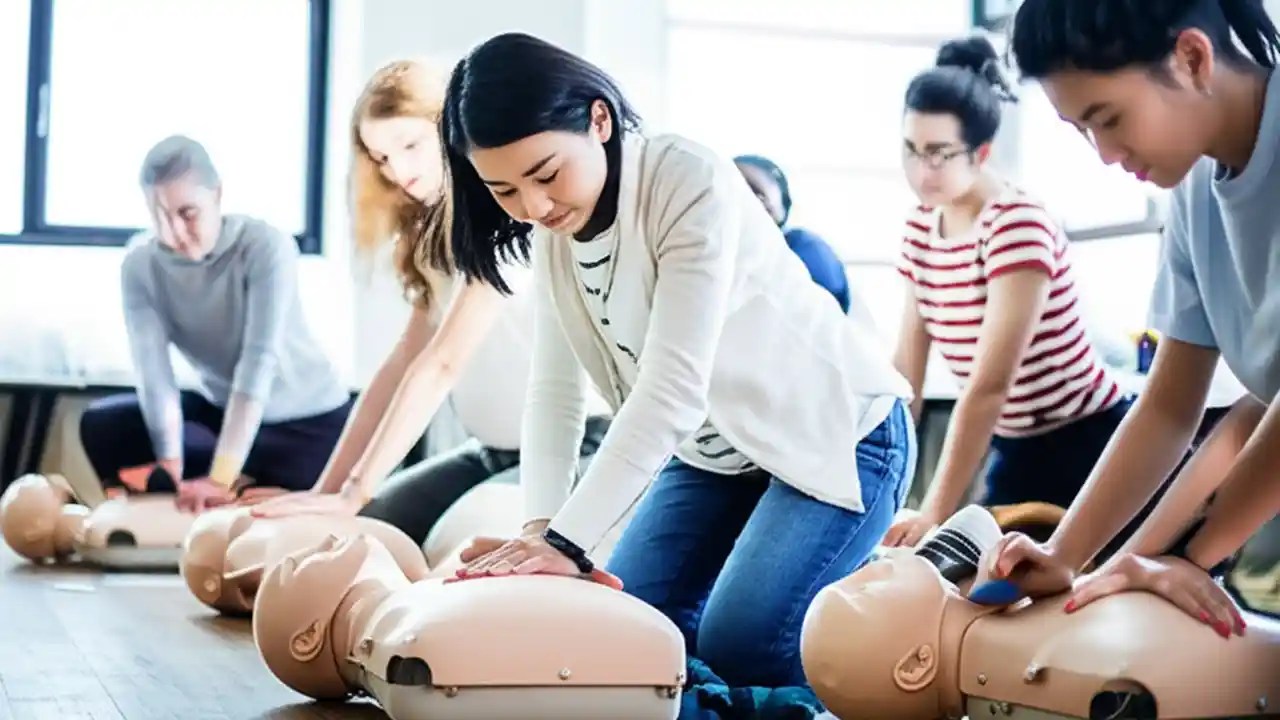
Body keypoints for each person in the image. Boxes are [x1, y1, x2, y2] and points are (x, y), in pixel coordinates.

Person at [438, 32, 916, 690]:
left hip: (839, 437)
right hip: (717, 460)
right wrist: (540, 534)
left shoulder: (686, 179)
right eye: (504, 190)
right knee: (626, 635)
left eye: (546, 174)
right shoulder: (553, 238)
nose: (535, 207)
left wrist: (567, 546)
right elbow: (553, 394)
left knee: (740, 643)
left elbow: (671, 391)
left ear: (598, 120)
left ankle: (898, 593)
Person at [985, 0, 1280, 635]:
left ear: (1193, 58)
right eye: (1081, 131)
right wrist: (1071, 556)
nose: (1105, 154)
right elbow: (1173, 408)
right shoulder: (1197, 194)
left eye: (1109, 119)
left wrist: (1181, 560)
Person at [244, 60, 609, 547]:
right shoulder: (432, 236)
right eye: (381, 158)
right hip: (491, 451)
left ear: (453, 132)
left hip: (577, 447)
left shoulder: (508, 220)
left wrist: (354, 490)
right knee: (359, 531)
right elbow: (401, 365)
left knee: (445, 543)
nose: (397, 171)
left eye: (410, 146)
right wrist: (326, 494)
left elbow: (442, 363)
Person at [883, 36, 1132, 548]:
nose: (920, 170)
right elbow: (907, 365)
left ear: (981, 152)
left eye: (938, 153)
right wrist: (884, 483)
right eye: (910, 150)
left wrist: (934, 510)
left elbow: (989, 386)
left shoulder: (1016, 224)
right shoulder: (919, 227)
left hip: (1088, 439)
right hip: (1015, 444)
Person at [80, 135, 354, 511]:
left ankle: (243, 488)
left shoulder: (266, 246)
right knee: (104, 425)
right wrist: (169, 463)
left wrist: (220, 476)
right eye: (159, 216)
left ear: (217, 195)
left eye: (187, 213)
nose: (173, 232)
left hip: (308, 424)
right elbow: (153, 374)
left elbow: (258, 363)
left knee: (243, 464)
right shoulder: (140, 265)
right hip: (226, 415)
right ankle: (228, 492)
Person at [732, 154, 851, 312]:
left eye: (756, 193)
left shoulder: (802, 246)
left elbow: (829, 310)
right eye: (733, 189)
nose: (744, 201)